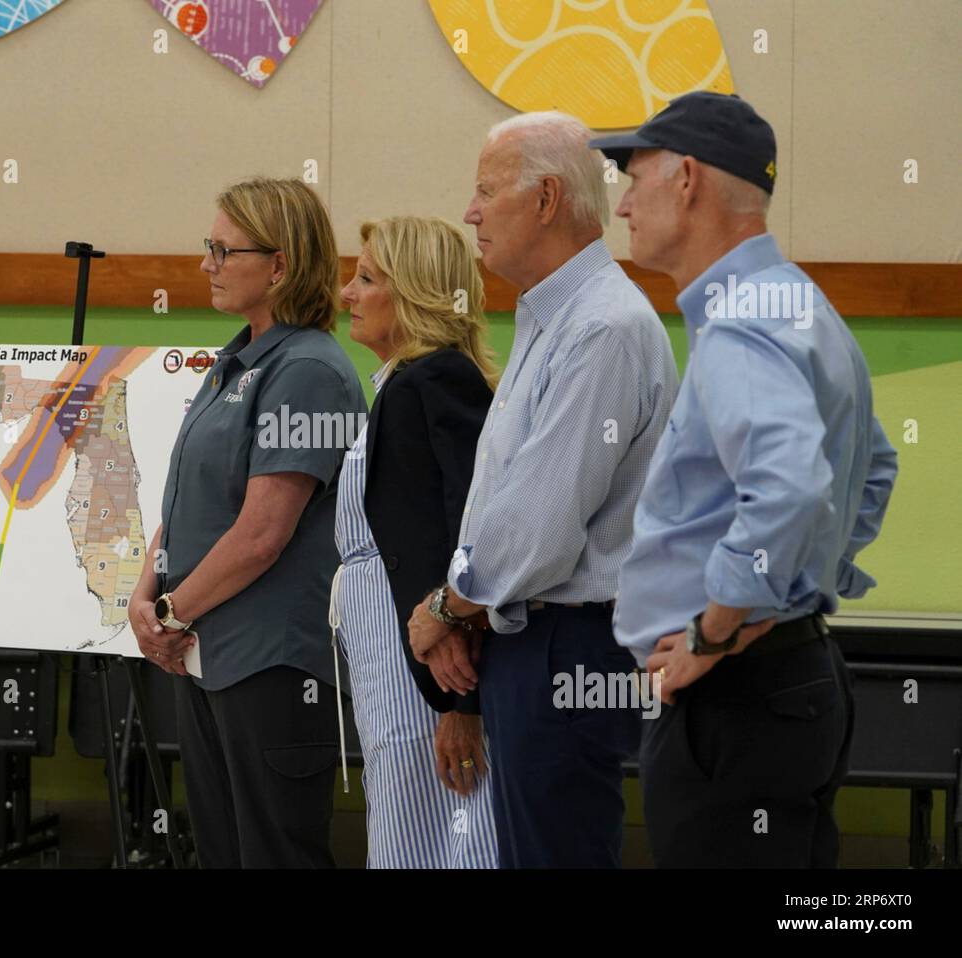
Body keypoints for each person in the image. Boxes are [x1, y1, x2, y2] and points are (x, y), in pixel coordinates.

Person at [592, 91, 899, 867]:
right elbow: (871, 472)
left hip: (734, 697)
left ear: (687, 178)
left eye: (636, 176)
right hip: (789, 679)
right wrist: (781, 589)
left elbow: (792, 488)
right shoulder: (799, 305)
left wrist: (716, 627)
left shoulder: (739, 323)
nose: (624, 204)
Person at [407, 111, 678, 868]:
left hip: (570, 641)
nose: (469, 212)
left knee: (556, 854)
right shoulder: (555, 317)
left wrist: (441, 607)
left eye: (485, 191)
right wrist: (472, 609)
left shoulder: (601, 329)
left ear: (547, 199)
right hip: (537, 634)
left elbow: (538, 526)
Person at [128, 176, 367, 868]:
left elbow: (263, 534)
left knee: (273, 855)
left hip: (271, 663)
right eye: (210, 247)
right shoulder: (235, 360)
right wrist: (146, 599)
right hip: (209, 657)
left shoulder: (310, 372)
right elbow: (186, 502)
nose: (207, 264)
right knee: (223, 852)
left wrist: (170, 614)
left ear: (282, 264)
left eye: (224, 251)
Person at [331, 215, 499, 868]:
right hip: (396, 660)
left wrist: (461, 703)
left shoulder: (434, 381)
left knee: (447, 831)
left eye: (366, 278)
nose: (347, 292)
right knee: (410, 826)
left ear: (417, 295)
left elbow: (467, 537)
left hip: (428, 673)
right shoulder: (402, 386)